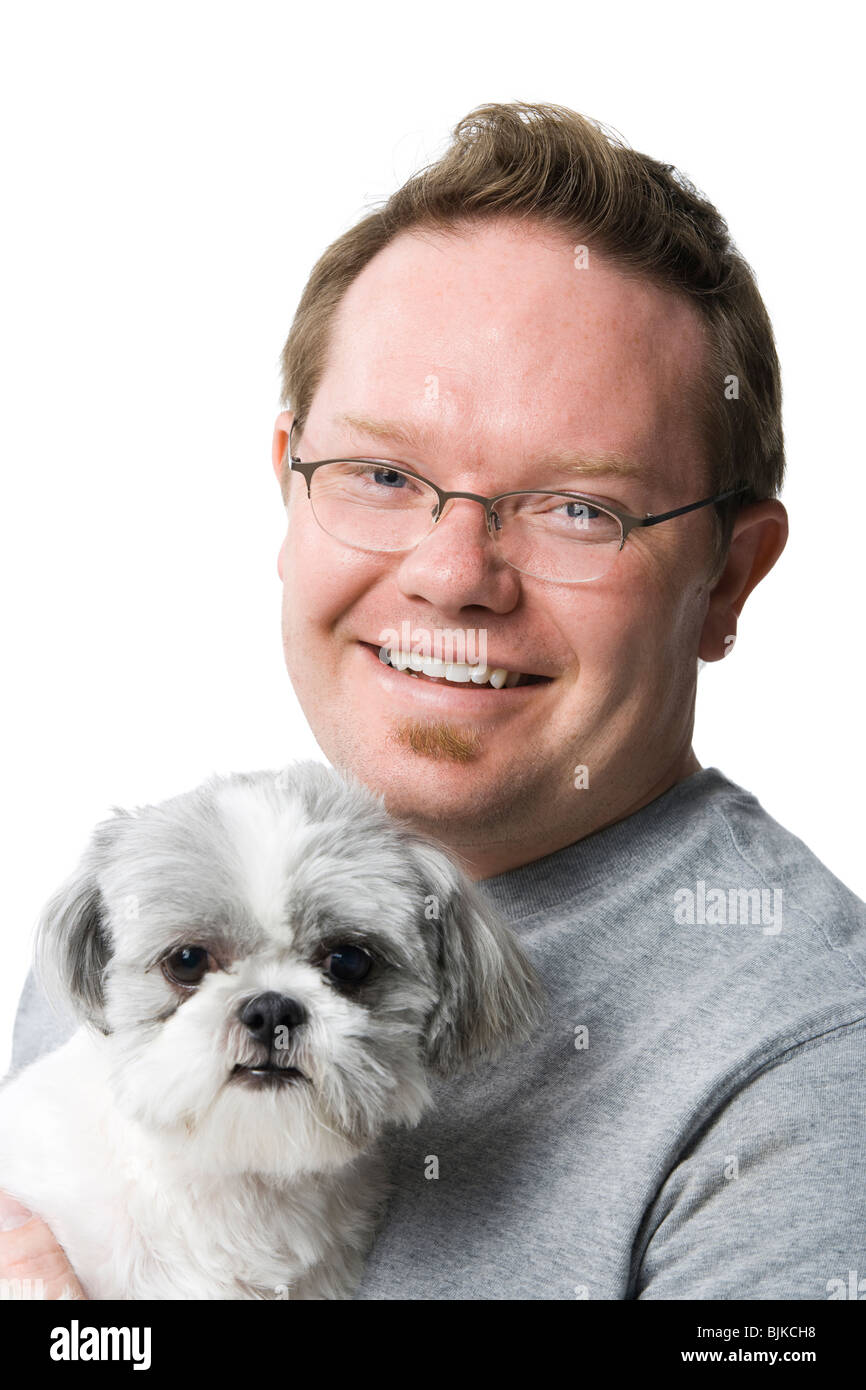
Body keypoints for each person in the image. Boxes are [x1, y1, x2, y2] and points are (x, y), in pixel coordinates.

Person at [3, 101, 864, 1300]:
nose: (453, 573)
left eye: (577, 507)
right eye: (382, 474)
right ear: (289, 491)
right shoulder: (135, 914)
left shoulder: (810, 1070)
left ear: (727, 577)